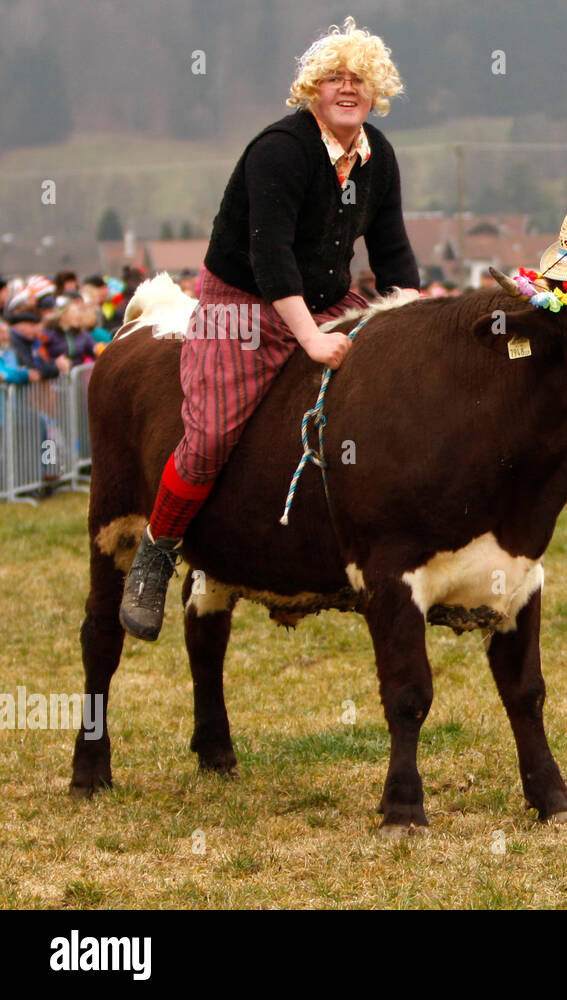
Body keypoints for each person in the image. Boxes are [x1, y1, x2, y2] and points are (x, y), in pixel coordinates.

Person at [118, 16, 420, 641]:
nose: (347, 88)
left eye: (359, 79)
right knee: (211, 432)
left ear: (375, 91)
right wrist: (310, 338)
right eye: (334, 77)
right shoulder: (280, 150)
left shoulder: (378, 155)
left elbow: (391, 248)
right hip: (245, 302)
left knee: (390, 395)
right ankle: (157, 552)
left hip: (327, 296)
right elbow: (271, 256)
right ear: (312, 89)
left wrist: (409, 318)